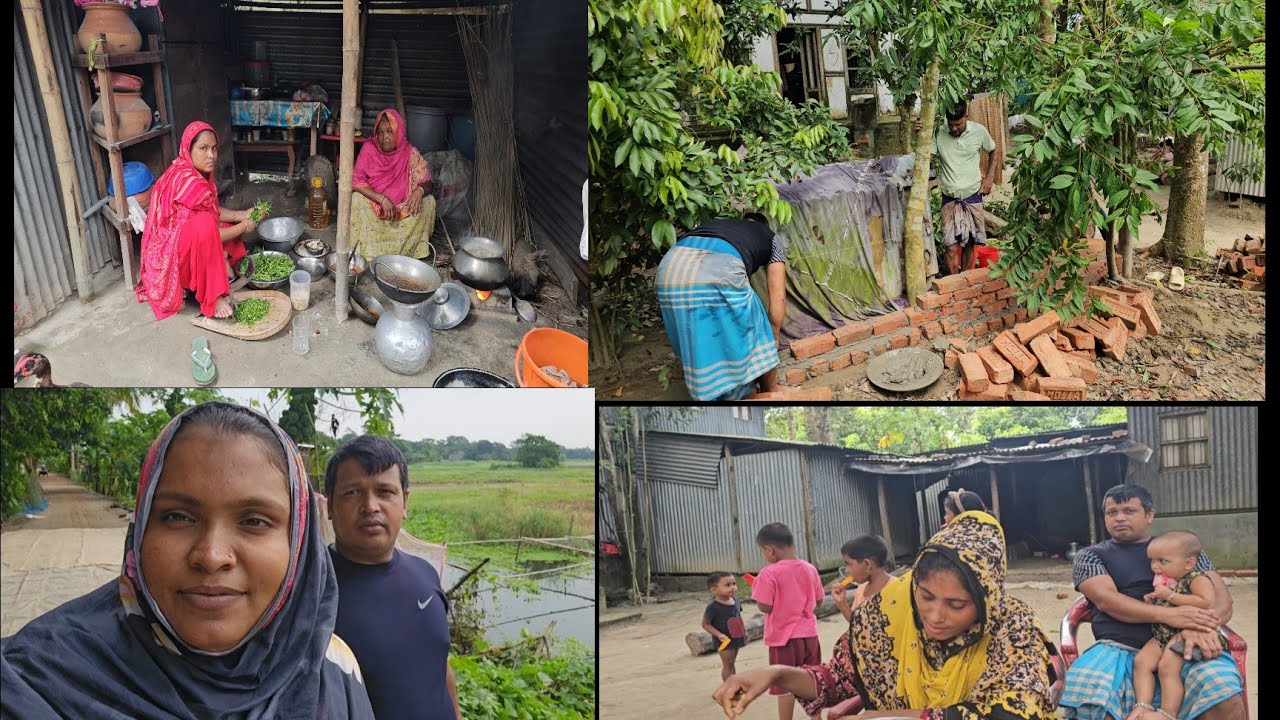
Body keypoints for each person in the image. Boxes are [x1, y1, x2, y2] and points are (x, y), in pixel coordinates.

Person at [0, 402, 375, 719]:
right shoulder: (36, 678)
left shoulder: (331, 668)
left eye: (254, 522)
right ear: (141, 527)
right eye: (178, 516)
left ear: (298, 544)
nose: (211, 557)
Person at [714, 510, 1056, 720]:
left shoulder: (1013, 628)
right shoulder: (885, 614)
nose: (935, 616)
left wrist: (891, 717)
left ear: (986, 599)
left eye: (957, 605)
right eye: (926, 596)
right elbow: (840, 678)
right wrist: (775, 674)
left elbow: (1015, 713)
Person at [1059, 485, 1245, 720]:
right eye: (1111, 512)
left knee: (1223, 692)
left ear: (1149, 515)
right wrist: (1168, 615)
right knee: (1087, 693)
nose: (1119, 518)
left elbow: (1221, 600)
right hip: (1117, 646)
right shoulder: (1091, 555)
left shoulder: (1181, 548)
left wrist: (1199, 626)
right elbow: (1108, 601)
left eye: (1128, 510)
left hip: (1183, 643)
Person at [324, 435, 461, 720]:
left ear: (404, 501)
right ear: (329, 506)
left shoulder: (425, 574)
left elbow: (439, 667)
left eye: (385, 491)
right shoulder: (312, 590)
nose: (370, 506)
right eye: (352, 493)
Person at [655, 213, 788, 401]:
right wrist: (772, 337)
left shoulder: (715, 226)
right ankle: (771, 389)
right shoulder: (771, 238)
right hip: (717, 269)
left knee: (699, 334)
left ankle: (714, 394)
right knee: (756, 319)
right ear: (764, 226)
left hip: (668, 270)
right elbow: (778, 298)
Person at [136, 122, 260, 320]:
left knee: (215, 222)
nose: (211, 155)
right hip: (169, 257)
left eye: (214, 148)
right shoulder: (187, 179)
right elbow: (210, 230)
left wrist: (241, 215)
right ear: (188, 149)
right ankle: (212, 296)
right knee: (206, 225)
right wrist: (245, 226)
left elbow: (211, 210)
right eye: (203, 148)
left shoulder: (192, 170)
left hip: (185, 241)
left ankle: (221, 262)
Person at [1128, 531, 1225, 720]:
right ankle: (1142, 705)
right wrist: (1155, 600)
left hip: (1187, 634)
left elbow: (1207, 602)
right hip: (1165, 634)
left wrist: (1170, 596)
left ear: (1188, 563)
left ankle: (1167, 713)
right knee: (1141, 662)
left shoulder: (1198, 578)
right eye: (1152, 561)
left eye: (1162, 561)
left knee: (1167, 667)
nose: (1155, 567)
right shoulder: (1172, 580)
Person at [750, 523, 824, 720]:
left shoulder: (769, 572)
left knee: (785, 686)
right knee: (812, 681)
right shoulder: (810, 569)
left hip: (784, 639)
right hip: (809, 636)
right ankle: (816, 718)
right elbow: (818, 600)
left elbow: (765, 606)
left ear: (769, 550)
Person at [351, 109, 437, 260]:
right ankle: (368, 252)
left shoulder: (409, 152)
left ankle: (412, 251)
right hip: (375, 208)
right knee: (356, 199)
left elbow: (428, 182)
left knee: (429, 201)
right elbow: (357, 181)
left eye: (390, 131)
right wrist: (382, 199)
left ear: (399, 131)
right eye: (380, 132)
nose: (384, 137)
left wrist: (419, 191)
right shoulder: (369, 149)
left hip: (403, 209)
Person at [934, 100, 998, 275]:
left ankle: (965, 281)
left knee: (970, 242)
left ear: (966, 117)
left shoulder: (979, 131)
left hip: (973, 196)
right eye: (951, 124)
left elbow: (993, 150)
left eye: (958, 124)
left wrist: (989, 178)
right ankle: (953, 284)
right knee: (951, 246)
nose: (954, 128)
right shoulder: (938, 132)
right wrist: (920, 132)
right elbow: (926, 155)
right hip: (950, 199)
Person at [826, 534, 895, 622]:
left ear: (867, 564)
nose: (847, 570)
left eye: (849, 564)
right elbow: (857, 625)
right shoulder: (861, 590)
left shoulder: (897, 588)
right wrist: (842, 605)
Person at [702, 572, 747, 681]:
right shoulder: (713, 607)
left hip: (736, 637)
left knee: (732, 663)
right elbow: (705, 624)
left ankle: (734, 685)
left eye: (734, 584)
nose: (733, 587)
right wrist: (719, 635)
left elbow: (738, 616)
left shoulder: (735, 601)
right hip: (724, 641)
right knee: (728, 665)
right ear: (714, 590)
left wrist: (744, 631)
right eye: (727, 585)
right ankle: (728, 689)